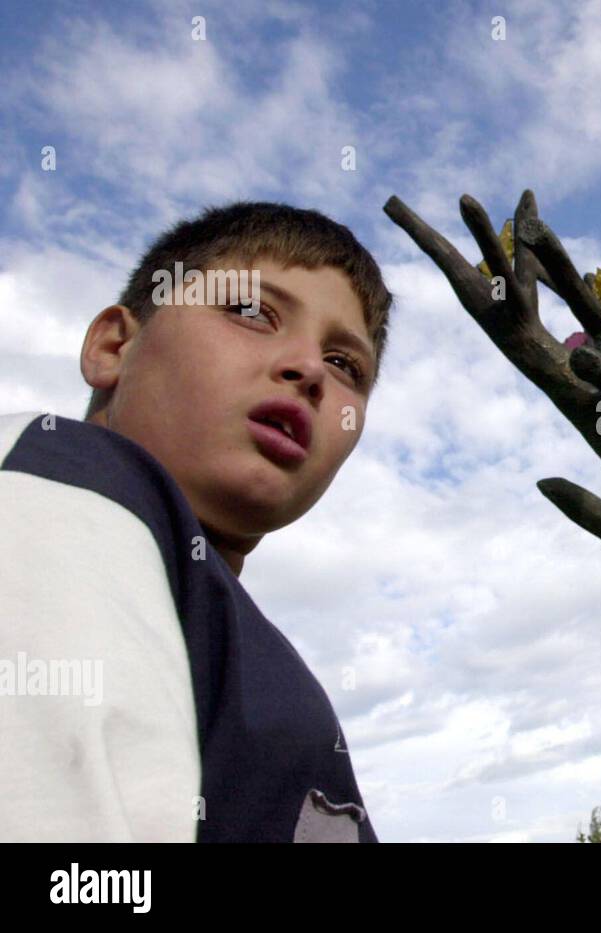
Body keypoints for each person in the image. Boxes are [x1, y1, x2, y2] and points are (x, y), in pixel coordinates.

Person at [0, 202, 392, 841]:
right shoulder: (67, 477)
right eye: (250, 311)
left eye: (348, 365)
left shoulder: (219, 623)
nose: (310, 370)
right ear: (114, 346)